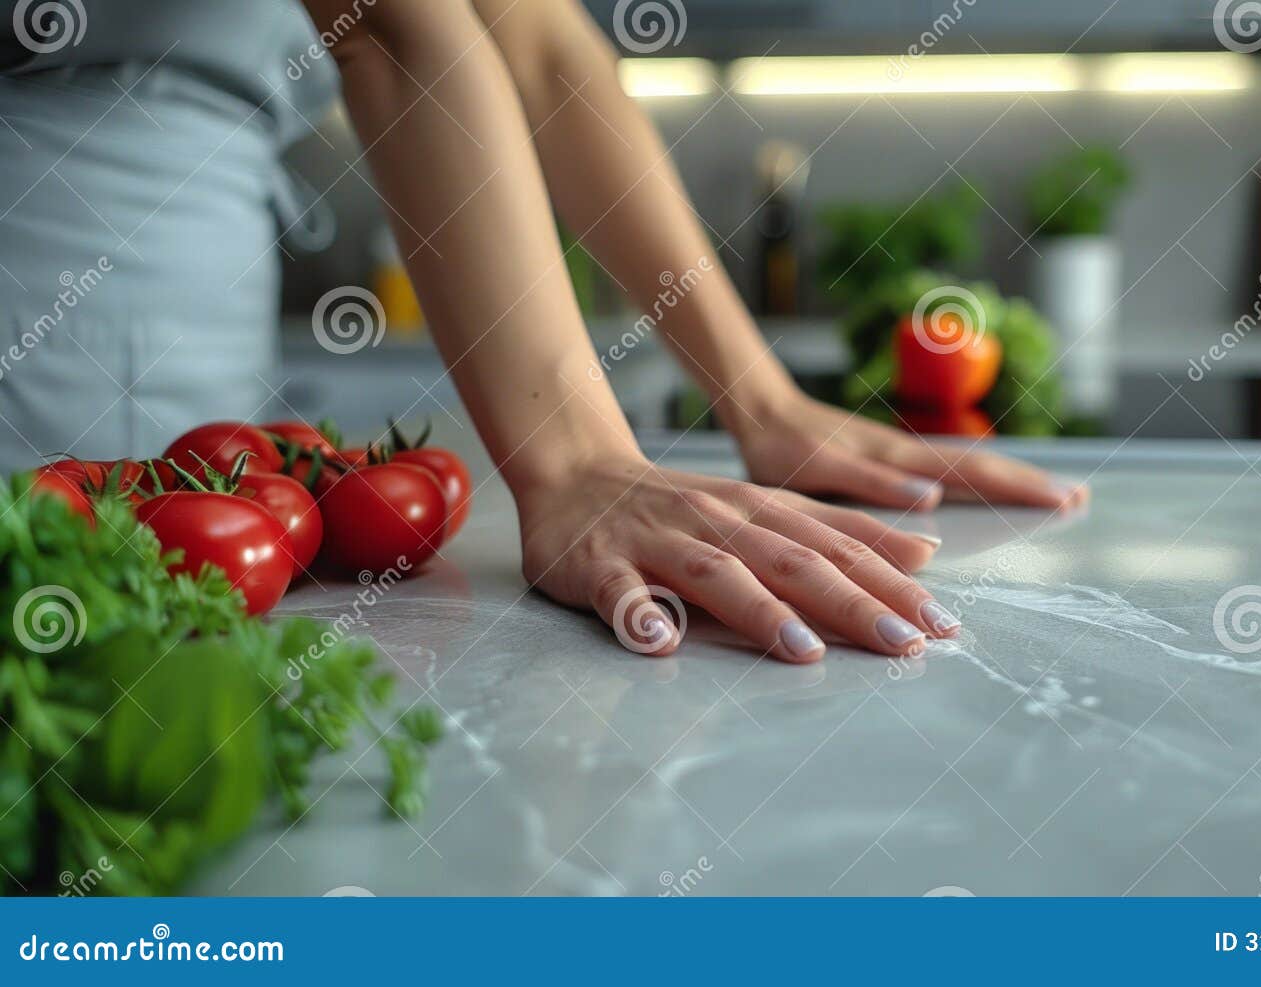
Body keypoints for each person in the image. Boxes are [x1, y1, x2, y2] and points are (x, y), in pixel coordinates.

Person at [0, 0, 1087, 663]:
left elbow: (541, 48)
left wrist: (759, 401)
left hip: (194, 275)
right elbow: (395, 23)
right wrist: (576, 462)